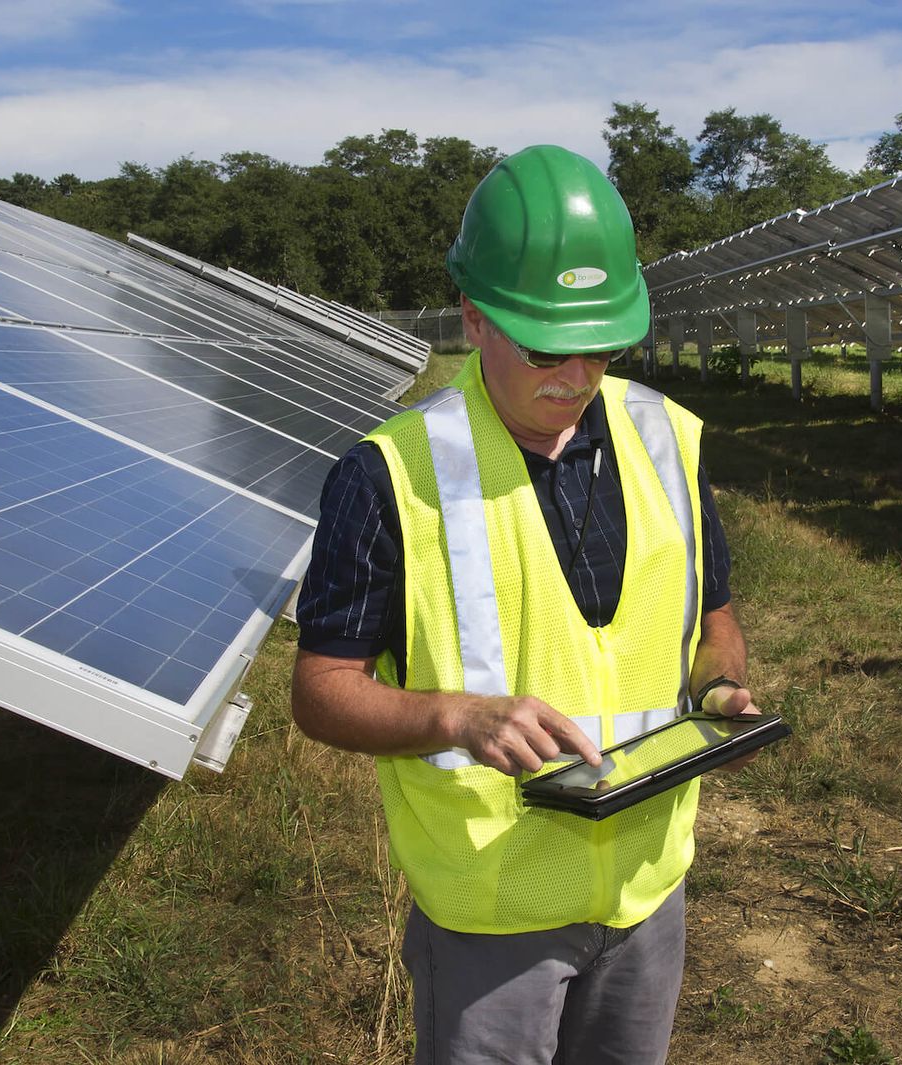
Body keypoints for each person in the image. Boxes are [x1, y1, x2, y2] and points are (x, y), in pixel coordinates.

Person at [289, 144, 758, 1065]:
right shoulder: (389, 476)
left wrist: (719, 690)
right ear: (475, 318)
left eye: (602, 346)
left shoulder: (666, 440)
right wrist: (457, 715)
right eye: (548, 347)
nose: (577, 377)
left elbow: (715, 620)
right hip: (490, 912)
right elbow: (320, 690)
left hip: (648, 892)